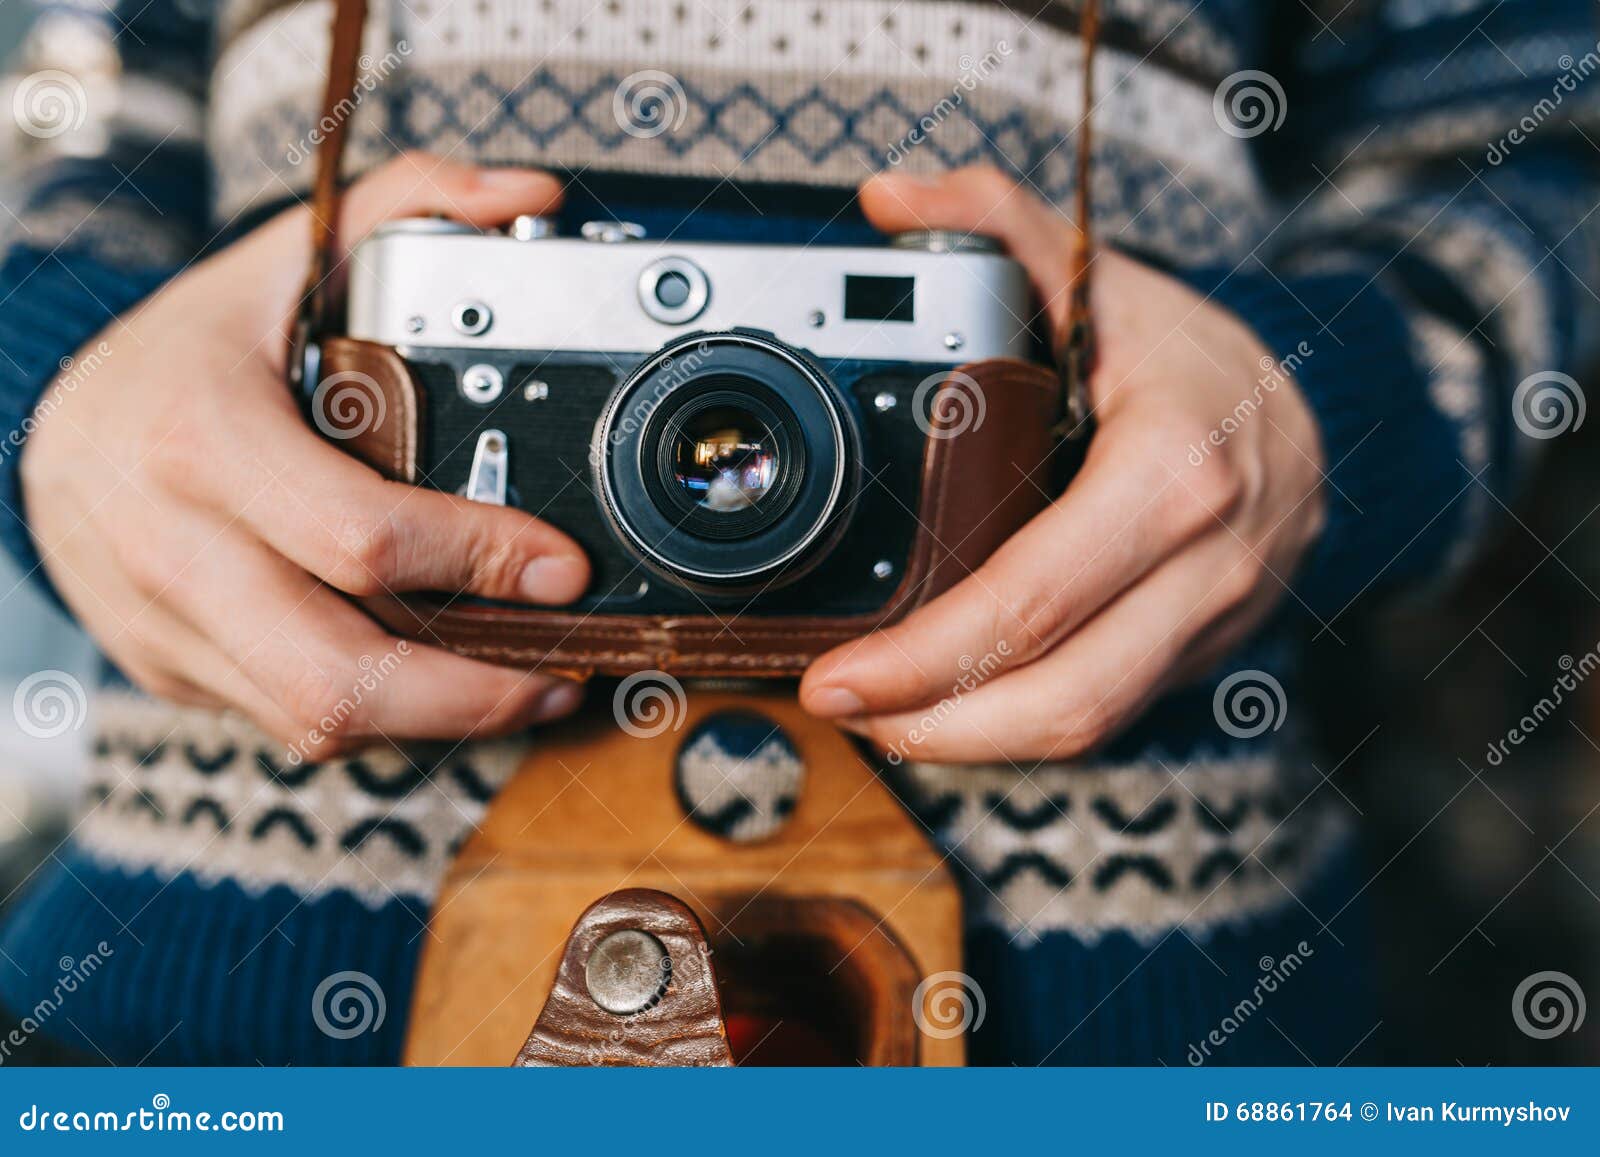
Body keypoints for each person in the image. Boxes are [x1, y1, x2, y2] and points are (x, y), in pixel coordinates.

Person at [0, 0, 1594, 1065]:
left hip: (1127, 1008)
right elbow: (66, 140)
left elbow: (1545, 120)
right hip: (229, 992)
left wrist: (1313, 414)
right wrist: (60, 405)